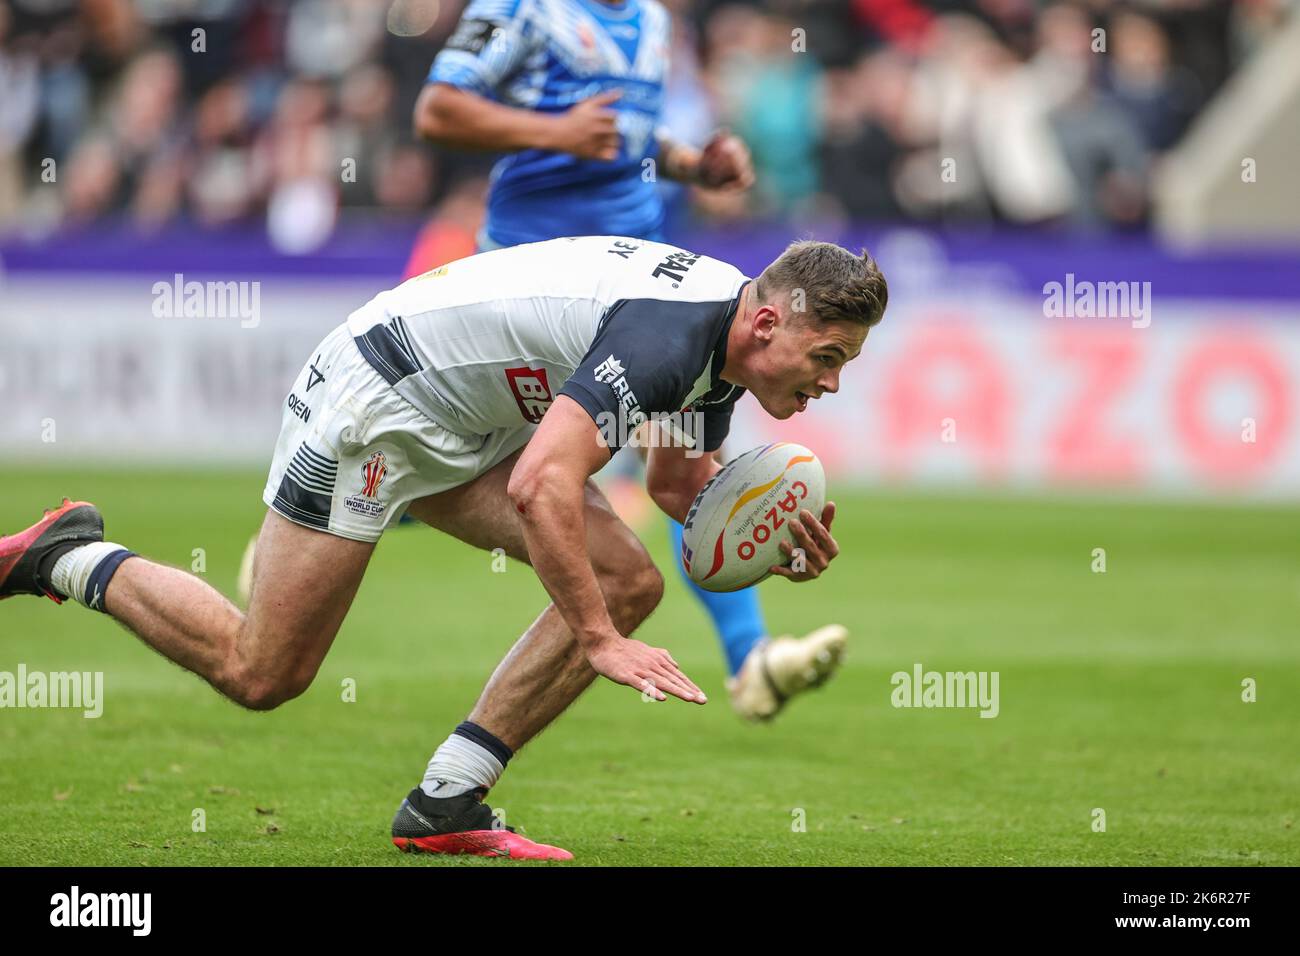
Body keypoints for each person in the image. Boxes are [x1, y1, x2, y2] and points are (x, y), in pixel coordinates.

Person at [1, 236, 887, 859]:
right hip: (379, 401)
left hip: (469, 414)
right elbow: (540, 485)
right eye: (830, 353)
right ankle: (67, 555)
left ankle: (445, 802)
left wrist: (763, 540)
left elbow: (673, 489)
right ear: (769, 324)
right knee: (262, 671)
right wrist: (594, 639)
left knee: (627, 577)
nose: (833, 381)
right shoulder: (668, 338)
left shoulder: (721, 341)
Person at [412, 0, 846, 720]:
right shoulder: (523, 10)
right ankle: (356, 486)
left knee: (683, 457)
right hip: (537, 288)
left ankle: (753, 659)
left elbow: (629, 139)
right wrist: (552, 131)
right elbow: (437, 111)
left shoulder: (648, 19)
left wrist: (688, 164)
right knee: (498, 457)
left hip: (641, 289)